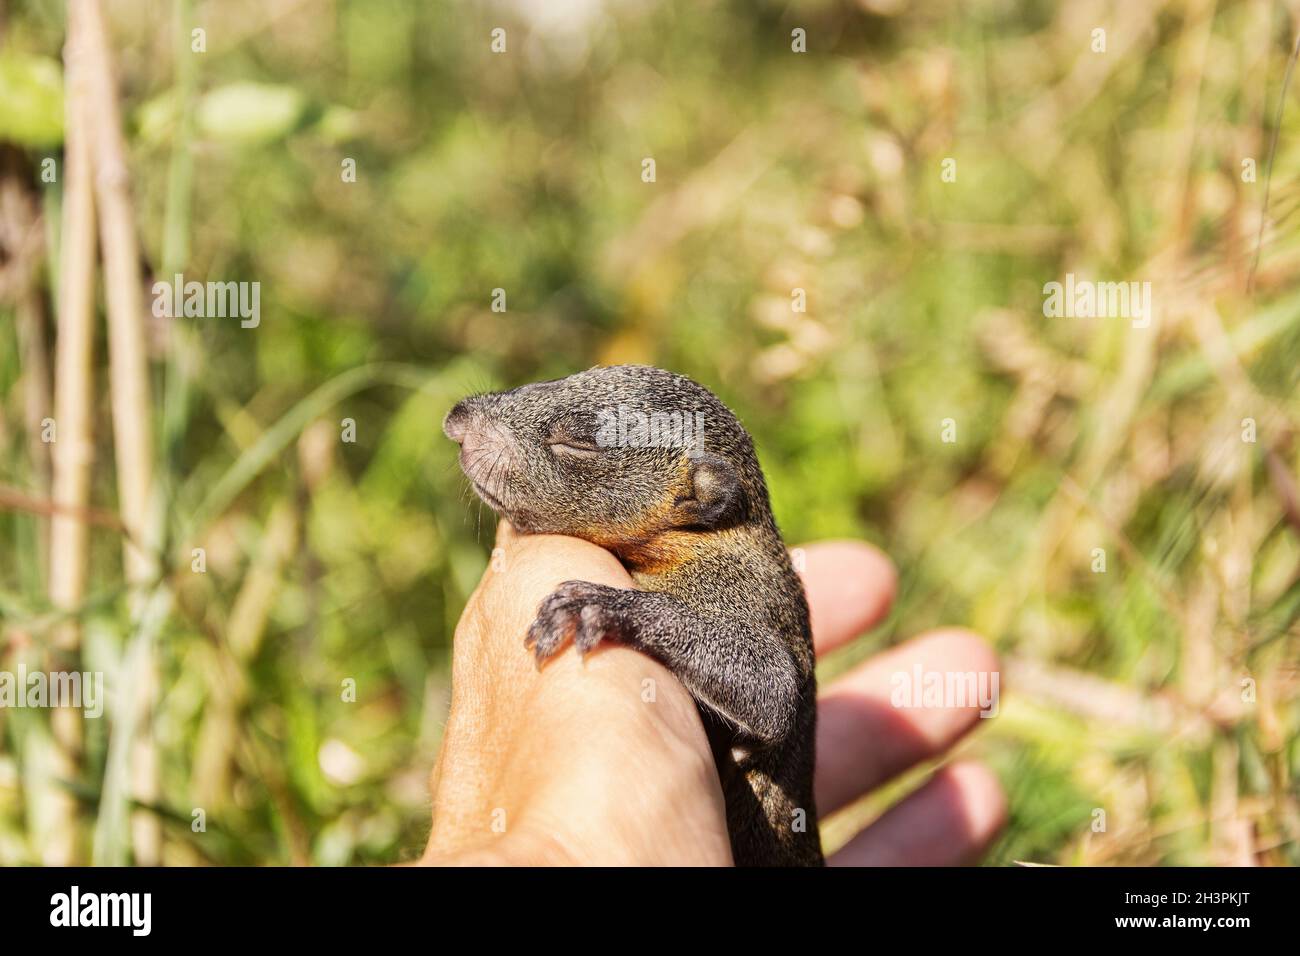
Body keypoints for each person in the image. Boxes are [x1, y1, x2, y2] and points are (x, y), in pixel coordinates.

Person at [421, 522, 1005, 865]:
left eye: (574, 452)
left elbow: (771, 697)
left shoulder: (724, 580)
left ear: (701, 497)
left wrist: (638, 619)